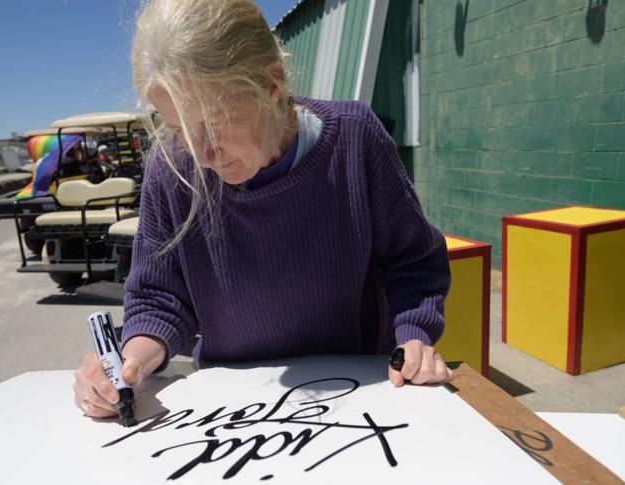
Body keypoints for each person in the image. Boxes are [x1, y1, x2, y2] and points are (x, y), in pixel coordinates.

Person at [73, 0, 453, 419]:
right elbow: (158, 298)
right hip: (230, 415)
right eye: (180, 130)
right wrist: (127, 368)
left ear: (271, 84)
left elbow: (413, 261)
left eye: (215, 120)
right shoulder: (171, 170)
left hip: (362, 399)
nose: (202, 154)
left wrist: (413, 337)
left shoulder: (354, 141)